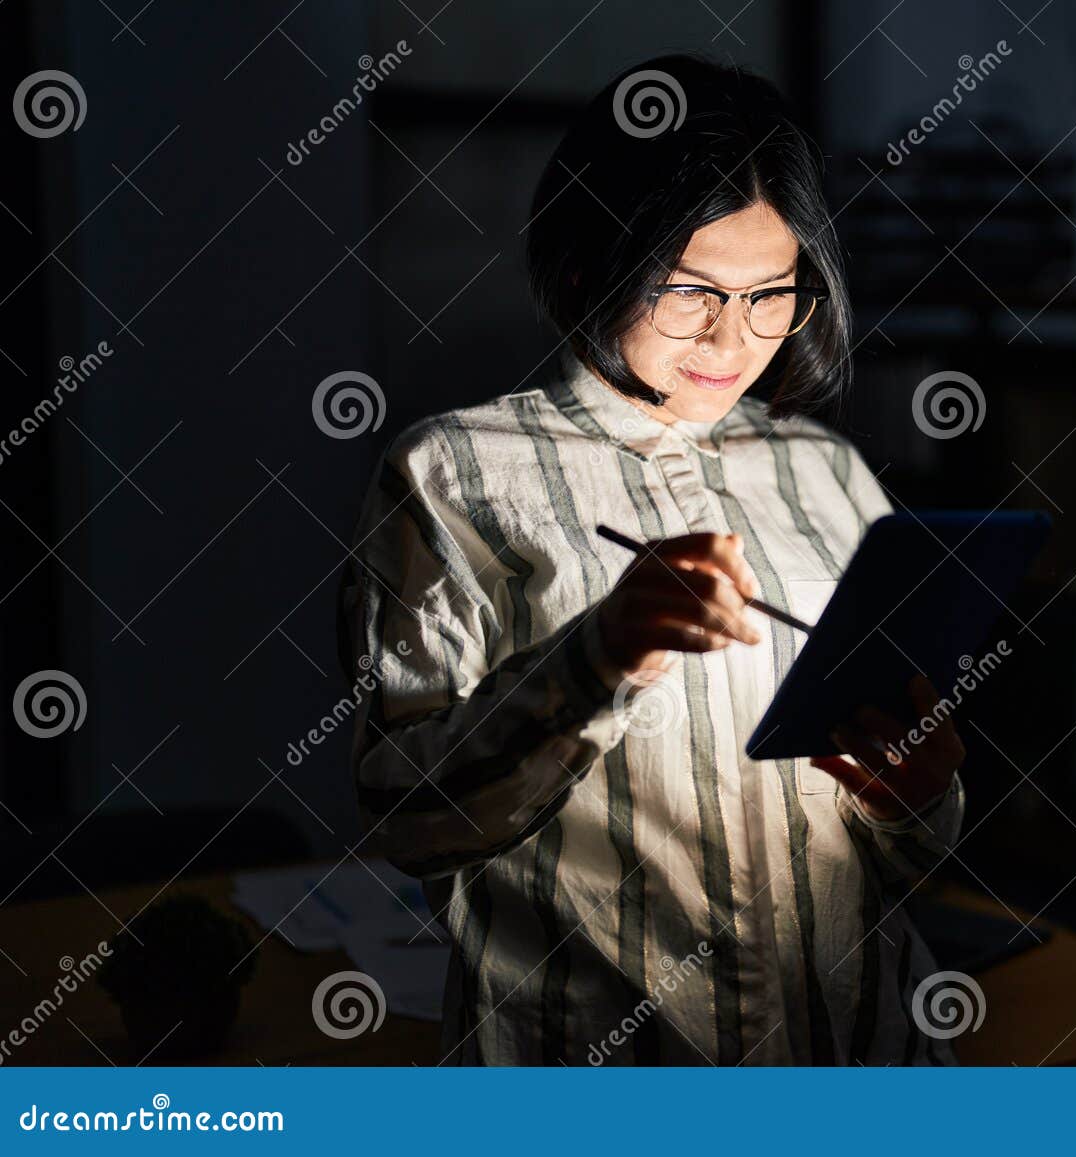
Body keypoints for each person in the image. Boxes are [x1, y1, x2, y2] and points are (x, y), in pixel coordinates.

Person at [341, 54, 966, 1065]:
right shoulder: (454, 473)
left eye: (771, 294)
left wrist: (919, 794)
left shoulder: (826, 471)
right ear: (590, 266)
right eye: (690, 292)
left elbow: (905, 854)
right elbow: (405, 816)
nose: (732, 339)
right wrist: (598, 658)